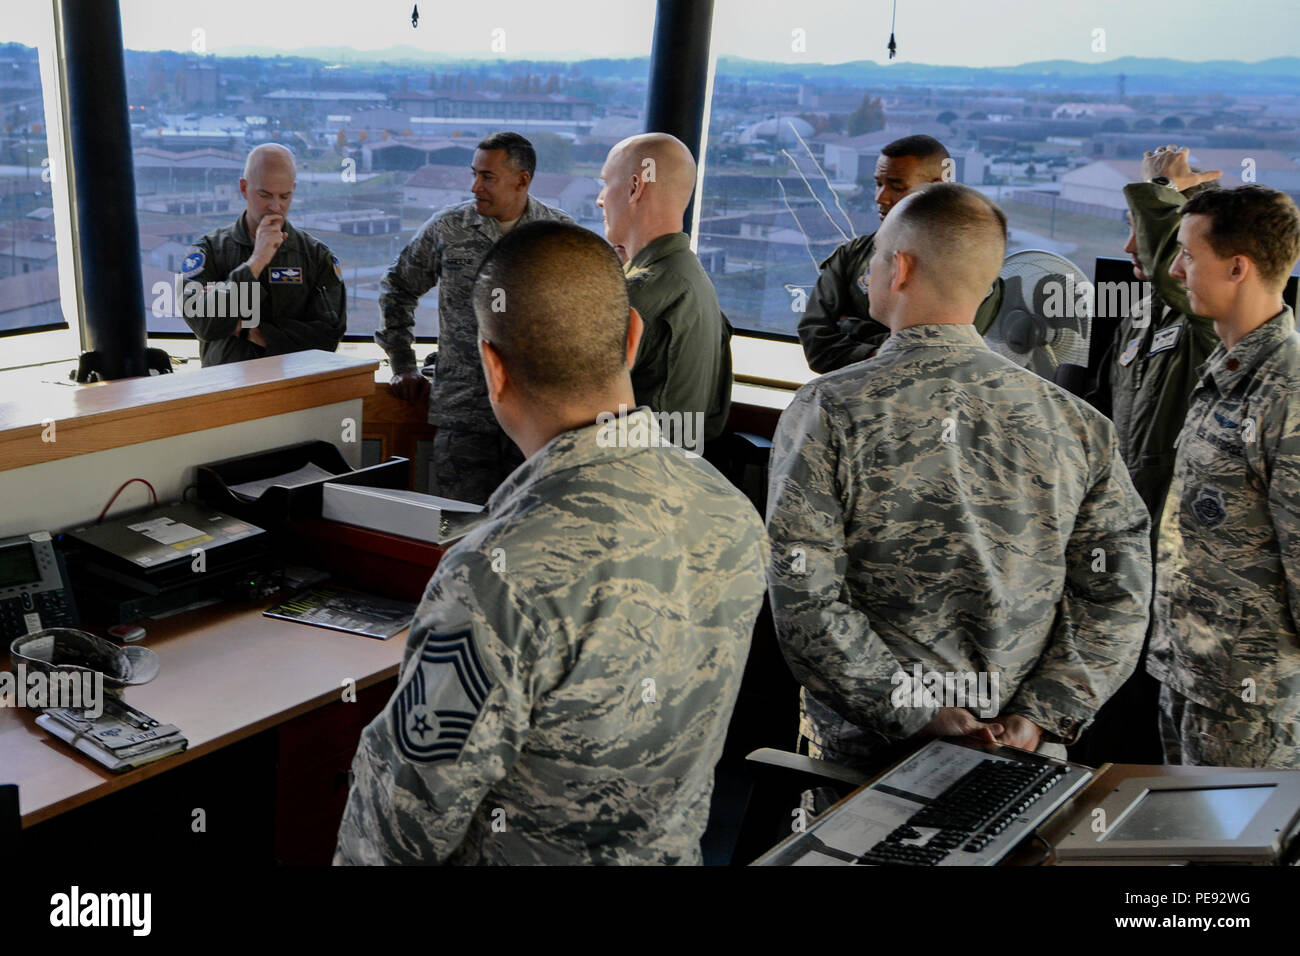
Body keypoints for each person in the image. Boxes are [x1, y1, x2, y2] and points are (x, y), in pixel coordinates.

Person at [336, 221, 769, 865]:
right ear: (632, 338)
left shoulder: (497, 573)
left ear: (491, 365)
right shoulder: (728, 508)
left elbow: (400, 825)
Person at [767, 183, 1152, 776]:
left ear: (899, 268)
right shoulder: (1079, 425)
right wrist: (1040, 714)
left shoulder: (829, 409)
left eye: (873, 260)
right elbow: (1117, 595)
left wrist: (915, 711)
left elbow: (805, 597)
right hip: (1021, 752)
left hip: (869, 757)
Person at [1076, 144, 1221, 766]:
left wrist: (1161, 190)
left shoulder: (1202, 324)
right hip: (1120, 544)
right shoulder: (1139, 317)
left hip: (1172, 555)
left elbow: (1177, 275)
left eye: (1145, 236)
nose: (1131, 250)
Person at [1146, 184, 1300, 769]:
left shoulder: (1287, 391)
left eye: (1187, 253)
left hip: (1252, 702)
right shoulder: (1227, 372)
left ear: (1238, 268)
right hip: (1192, 674)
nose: (1178, 268)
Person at [375, 131, 573, 504]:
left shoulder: (557, 234)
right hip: (464, 416)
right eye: (474, 174)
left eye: (487, 177)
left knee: (526, 527)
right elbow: (397, 288)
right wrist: (402, 362)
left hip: (534, 418)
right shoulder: (449, 228)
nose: (474, 186)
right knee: (461, 526)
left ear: (522, 180)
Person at [797, 135, 1002, 374]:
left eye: (896, 187)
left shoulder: (973, 268)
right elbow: (816, 345)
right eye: (878, 183)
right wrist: (885, 349)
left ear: (935, 189)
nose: (880, 197)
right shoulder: (851, 256)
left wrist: (852, 327)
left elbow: (943, 353)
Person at [598, 132, 732, 451]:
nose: (601, 198)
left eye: (605, 183)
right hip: (677, 474)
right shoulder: (693, 280)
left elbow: (569, 410)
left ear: (635, 188)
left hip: (626, 475)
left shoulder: (637, 295)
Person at [179, 143, 346, 367]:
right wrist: (255, 263)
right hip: (226, 391)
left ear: (293, 189)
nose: (275, 207)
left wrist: (250, 330)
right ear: (243, 188)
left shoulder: (315, 256)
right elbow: (204, 322)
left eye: (285, 196)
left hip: (292, 390)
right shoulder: (208, 250)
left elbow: (328, 337)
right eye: (265, 195)